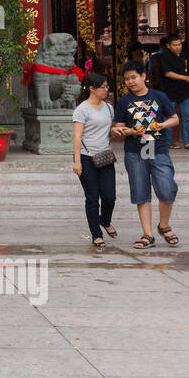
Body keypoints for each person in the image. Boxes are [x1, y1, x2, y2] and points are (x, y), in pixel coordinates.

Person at [112, 60, 182, 249]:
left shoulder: (159, 96)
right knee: (141, 193)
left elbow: (174, 118)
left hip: (158, 149)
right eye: (127, 79)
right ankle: (148, 235)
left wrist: (160, 125)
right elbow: (117, 128)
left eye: (133, 77)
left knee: (167, 189)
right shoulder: (124, 102)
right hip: (135, 151)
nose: (130, 82)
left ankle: (164, 225)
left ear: (144, 76)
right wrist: (127, 131)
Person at [72, 72, 118, 250]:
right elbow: (77, 136)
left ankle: (105, 220)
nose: (106, 90)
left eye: (107, 87)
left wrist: (116, 132)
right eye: (103, 87)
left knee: (109, 197)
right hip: (86, 156)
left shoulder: (108, 108)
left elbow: (109, 130)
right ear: (92, 88)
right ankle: (96, 235)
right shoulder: (82, 109)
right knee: (92, 198)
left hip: (105, 156)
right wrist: (77, 160)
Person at [157, 34, 189, 149]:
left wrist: (188, 78)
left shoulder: (183, 54)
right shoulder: (164, 56)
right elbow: (168, 73)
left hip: (182, 90)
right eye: (175, 45)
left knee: (188, 116)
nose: (178, 47)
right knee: (169, 117)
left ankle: (188, 141)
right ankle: (168, 142)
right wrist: (186, 78)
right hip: (169, 91)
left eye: (180, 44)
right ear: (168, 46)